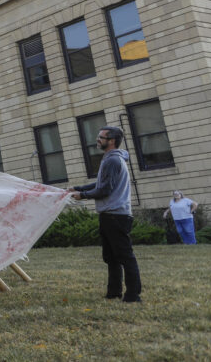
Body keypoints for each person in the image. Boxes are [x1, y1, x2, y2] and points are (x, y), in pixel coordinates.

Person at [70, 126, 142, 303]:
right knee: (111, 258)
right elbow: (100, 183)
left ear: (112, 141)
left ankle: (133, 295)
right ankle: (114, 292)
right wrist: (77, 188)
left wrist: (82, 196)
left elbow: (105, 189)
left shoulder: (112, 161)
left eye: (101, 137)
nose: (98, 140)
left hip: (115, 215)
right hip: (109, 215)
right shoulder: (110, 159)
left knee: (125, 257)